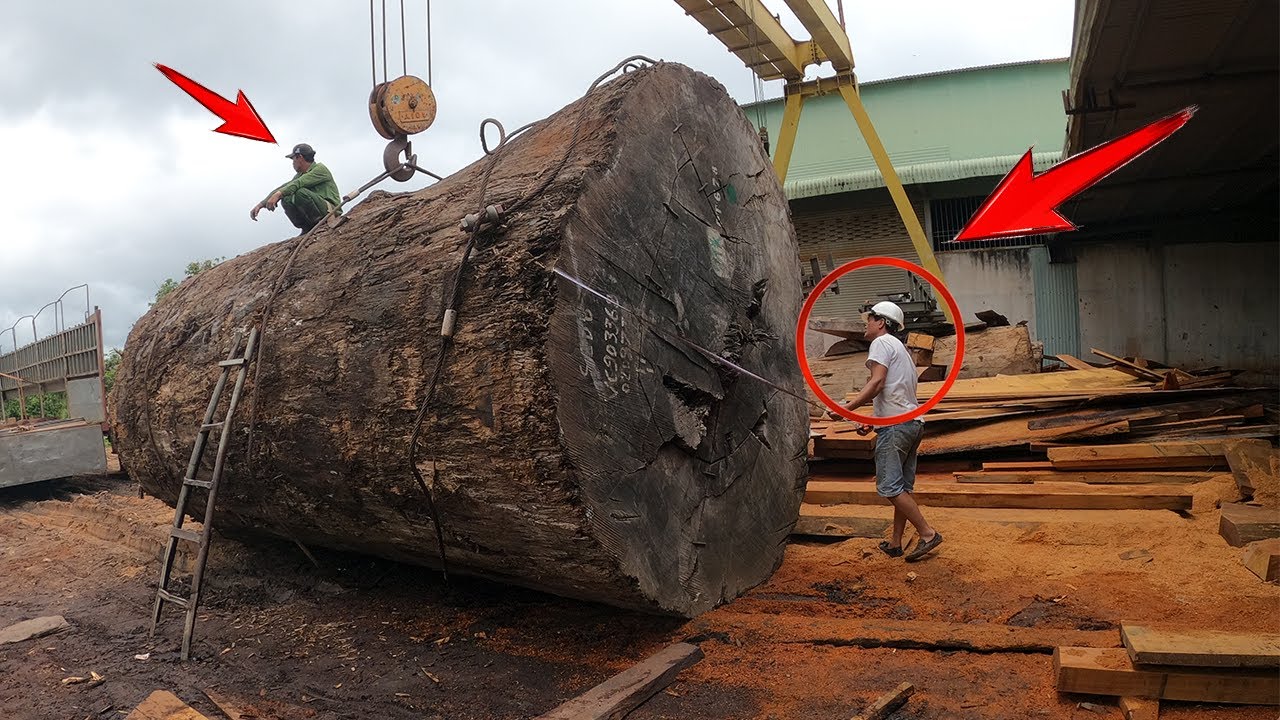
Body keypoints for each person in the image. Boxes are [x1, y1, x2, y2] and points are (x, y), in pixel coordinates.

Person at [828, 300, 943, 562]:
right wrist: (871, 419)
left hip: (897, 426)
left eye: (869, 319)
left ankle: (927, 534)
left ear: (881, 322)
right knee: (902, 487)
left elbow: (878, 382)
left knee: (890, 488)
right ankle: (895, 543)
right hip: (911, 424)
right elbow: (896, 394)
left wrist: (847, 409)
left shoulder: (880, 343)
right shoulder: (901, 349)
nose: (865, 324)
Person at [250, 143, 340, 233]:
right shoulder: (300, 175)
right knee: (286, 197)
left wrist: (279, 194)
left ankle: (320, 223)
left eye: (293, 159)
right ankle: (306, 227)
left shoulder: (320, 169)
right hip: (319, 208)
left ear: (299, 157)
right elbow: (285, 187)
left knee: (299, 192)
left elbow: (298, 184)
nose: (292, 163)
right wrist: (261, 204)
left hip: (331, 211)